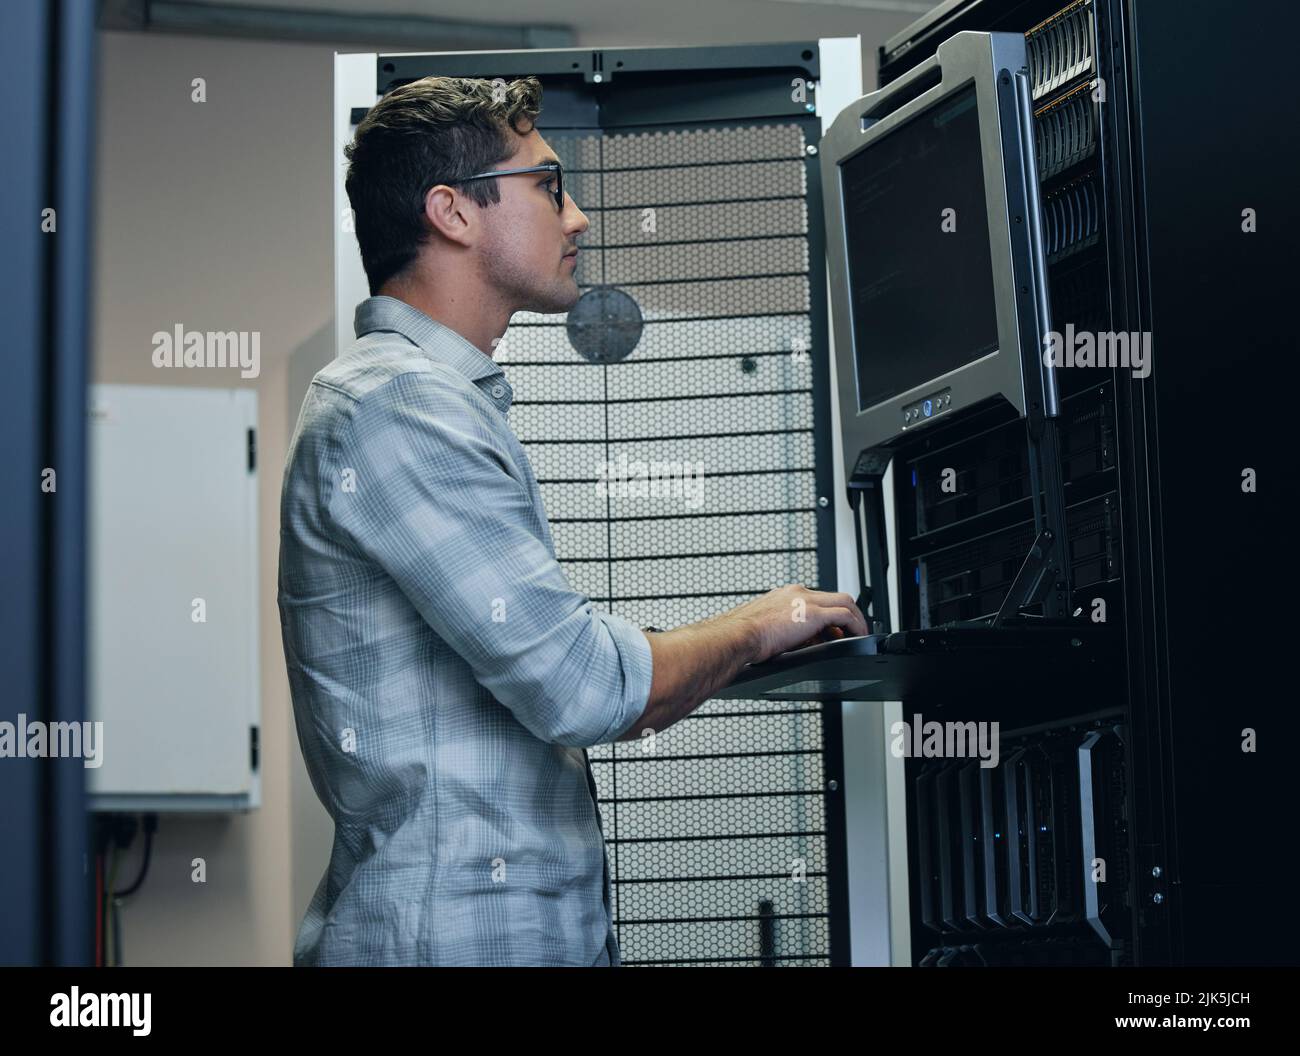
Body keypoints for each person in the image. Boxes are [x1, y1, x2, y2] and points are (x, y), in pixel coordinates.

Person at [278, 74, 867, 967]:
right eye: (549, 185)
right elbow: (581, 686)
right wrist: (762, 624)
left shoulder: (439, 402)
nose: (579, 216)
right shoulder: (396, 407)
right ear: (453, 213)